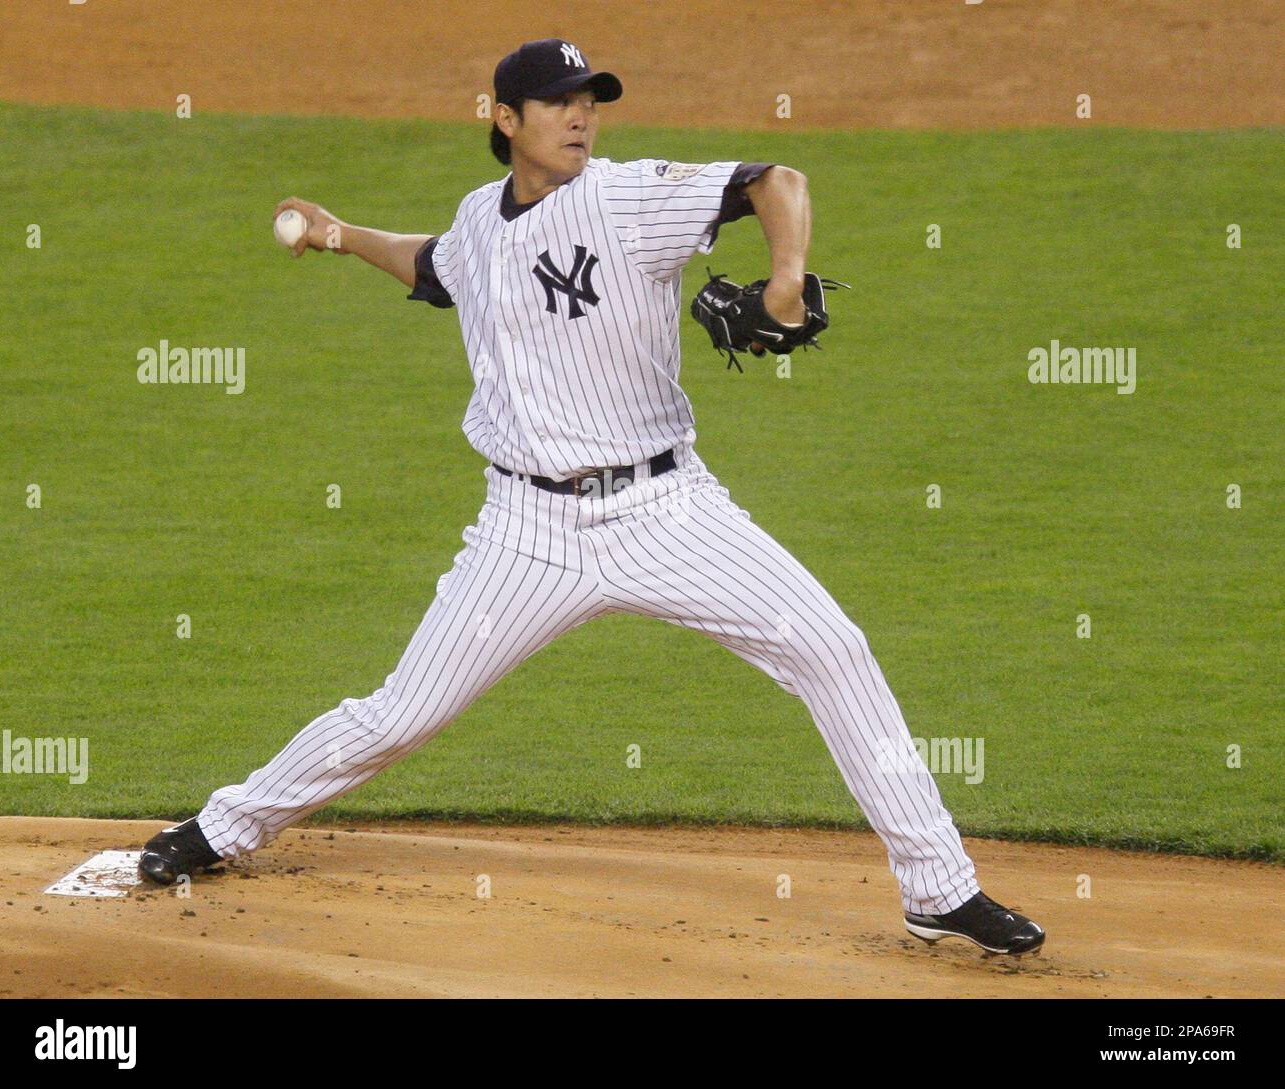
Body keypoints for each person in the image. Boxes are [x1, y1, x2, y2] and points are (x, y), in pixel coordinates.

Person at [139, 38, 1044, 957]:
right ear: (503, 118)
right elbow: (439, 268)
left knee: (832, 648)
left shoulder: (628, 195)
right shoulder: (481, 220)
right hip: (524, 533)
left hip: (668, 513)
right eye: (559, 101)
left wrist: (782, 278)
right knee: (400, 713)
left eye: (590, 100)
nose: (581, 116)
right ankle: (225, 827)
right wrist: (339, 235)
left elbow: (777, 178)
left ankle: (939, 887)